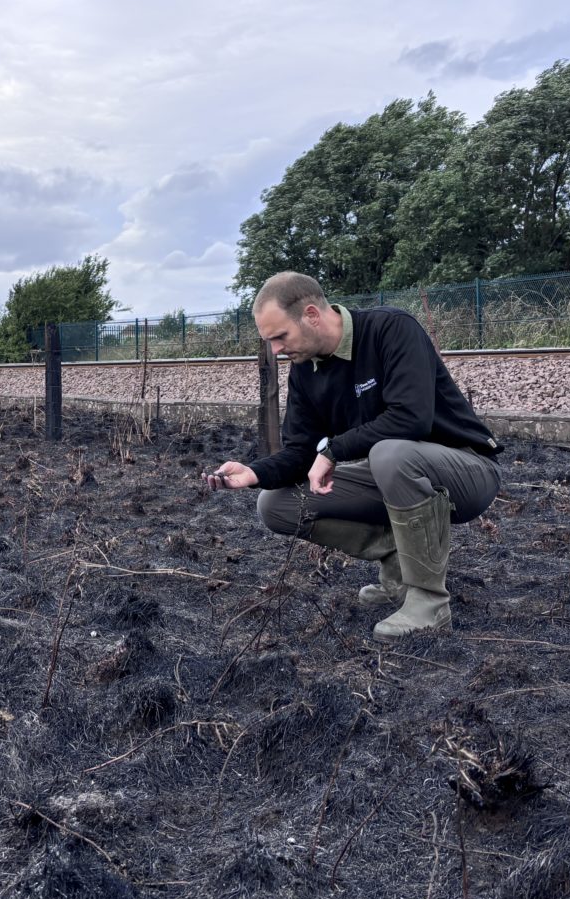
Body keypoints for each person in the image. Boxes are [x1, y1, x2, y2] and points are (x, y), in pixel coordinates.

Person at [205, 271, 501, 638]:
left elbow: (411, 419)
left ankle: (429, 603)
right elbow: (300, 451)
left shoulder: (390, 329)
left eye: (280, 337)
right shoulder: (305, 370)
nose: (277, 351)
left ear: (311, 315)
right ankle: (401, 567)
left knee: (389, 454)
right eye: (270, 342)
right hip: (392, 474)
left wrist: (333, 450)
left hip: (466, 469)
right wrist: (255, 473)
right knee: (275, 505)